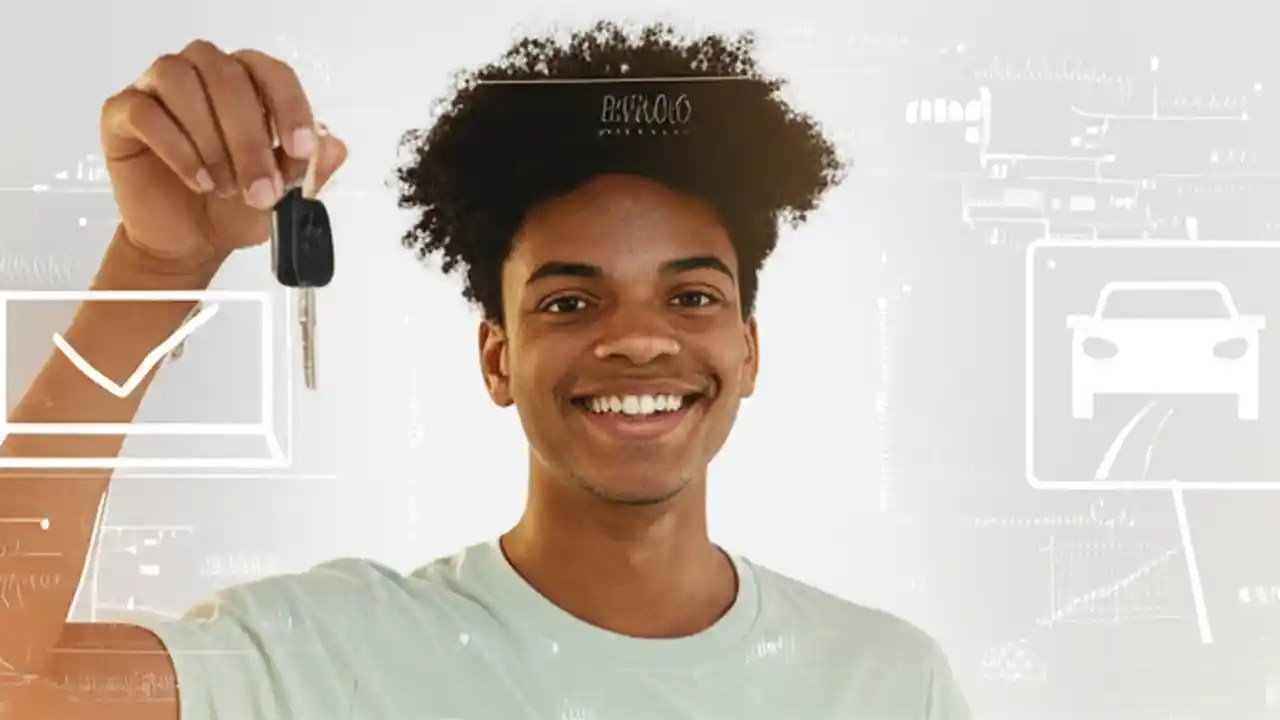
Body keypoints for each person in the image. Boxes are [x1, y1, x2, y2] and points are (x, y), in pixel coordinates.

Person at [1, 19, 972, 720]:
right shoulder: (334, 655)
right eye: (568, 300)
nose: (636, 338)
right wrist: (154, 273)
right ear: (495, 357)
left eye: (690, 297)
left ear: (747, 350)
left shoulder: (886, 681)